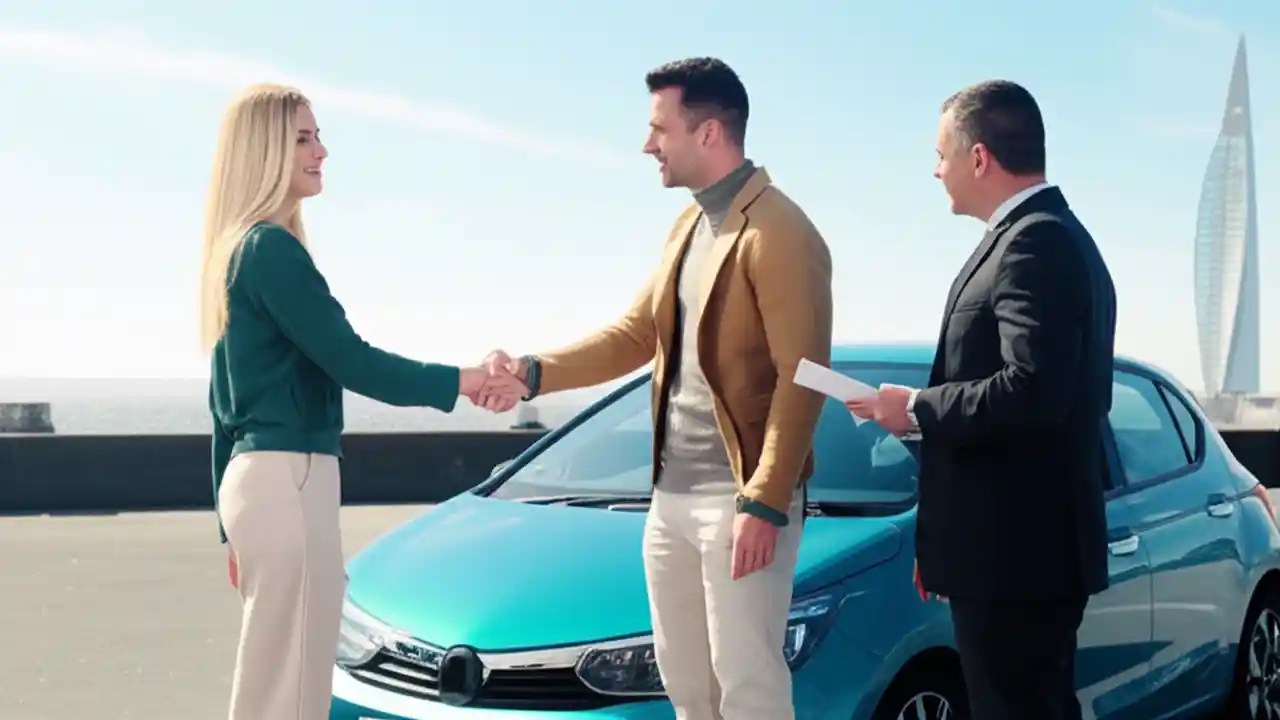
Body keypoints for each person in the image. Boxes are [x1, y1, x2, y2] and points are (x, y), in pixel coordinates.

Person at [480, 57, 832, 720]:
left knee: (748, 685)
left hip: (739, 500)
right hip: (670, 500)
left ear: (708, 133)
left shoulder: (781, 231)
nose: (648, 145)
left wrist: (764, 500)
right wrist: (532, 371)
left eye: (659, 128)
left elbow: (803, 375)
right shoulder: (688, 227)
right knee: (687, 688)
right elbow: (635, 334)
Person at [198, 83, 526, 720]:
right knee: (292, 689)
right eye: (302, 138)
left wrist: (228, 529)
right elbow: (353, 361)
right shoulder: (270, 251)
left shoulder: (236, 252)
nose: (321, 151)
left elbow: (221, 410)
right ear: (262, 149)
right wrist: (466, 380)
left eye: (318, 136)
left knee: (272, 680)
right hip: (289, 480)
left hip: (257, 487)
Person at [848, 79, 1117, 720]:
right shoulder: (1044, 235)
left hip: (1018, 561)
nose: (935, 169)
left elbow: (1033, 390)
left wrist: (916, 407)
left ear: (978, 157)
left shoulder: (1034, 242)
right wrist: (944, 544)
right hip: (1009, 555)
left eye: (940, 154)